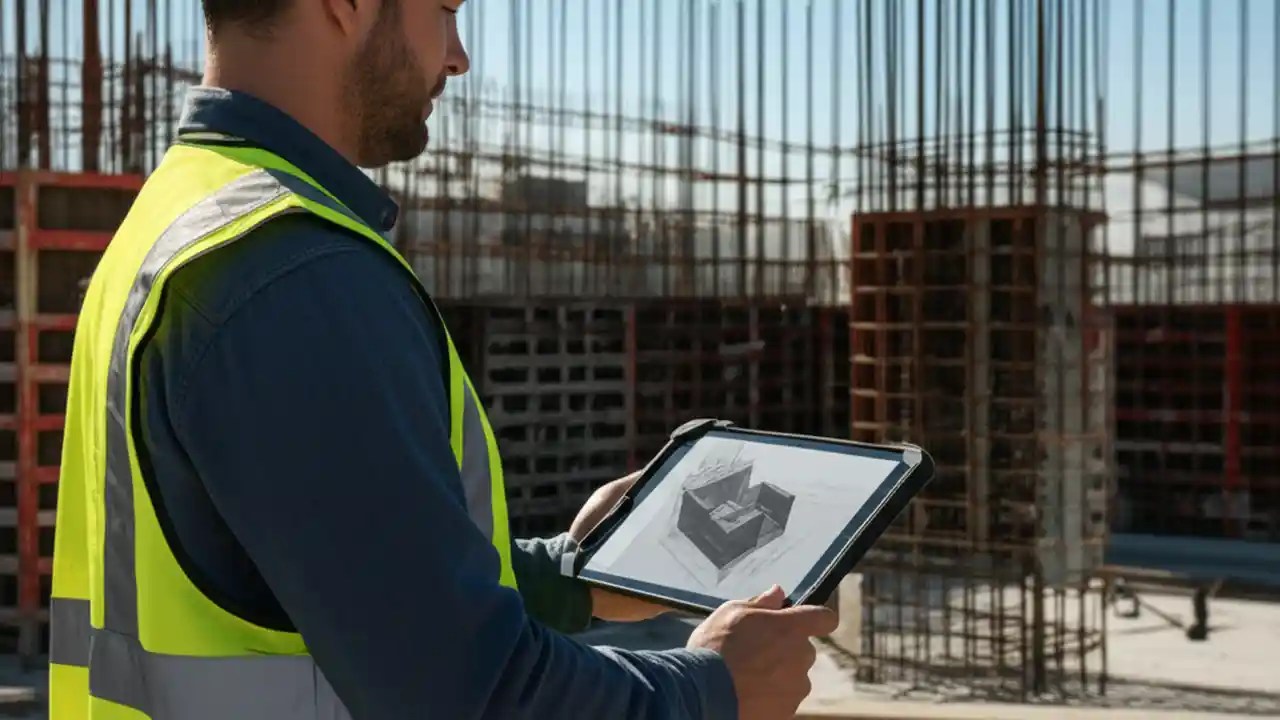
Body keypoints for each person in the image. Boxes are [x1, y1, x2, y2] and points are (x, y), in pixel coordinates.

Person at [46, 1, 837, 718]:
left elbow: (336, 582)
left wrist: (571, 577)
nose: (458, 56)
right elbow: (470, 696)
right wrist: (710, 690)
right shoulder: (292, 273)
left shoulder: (182, 216)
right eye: (446, 11)